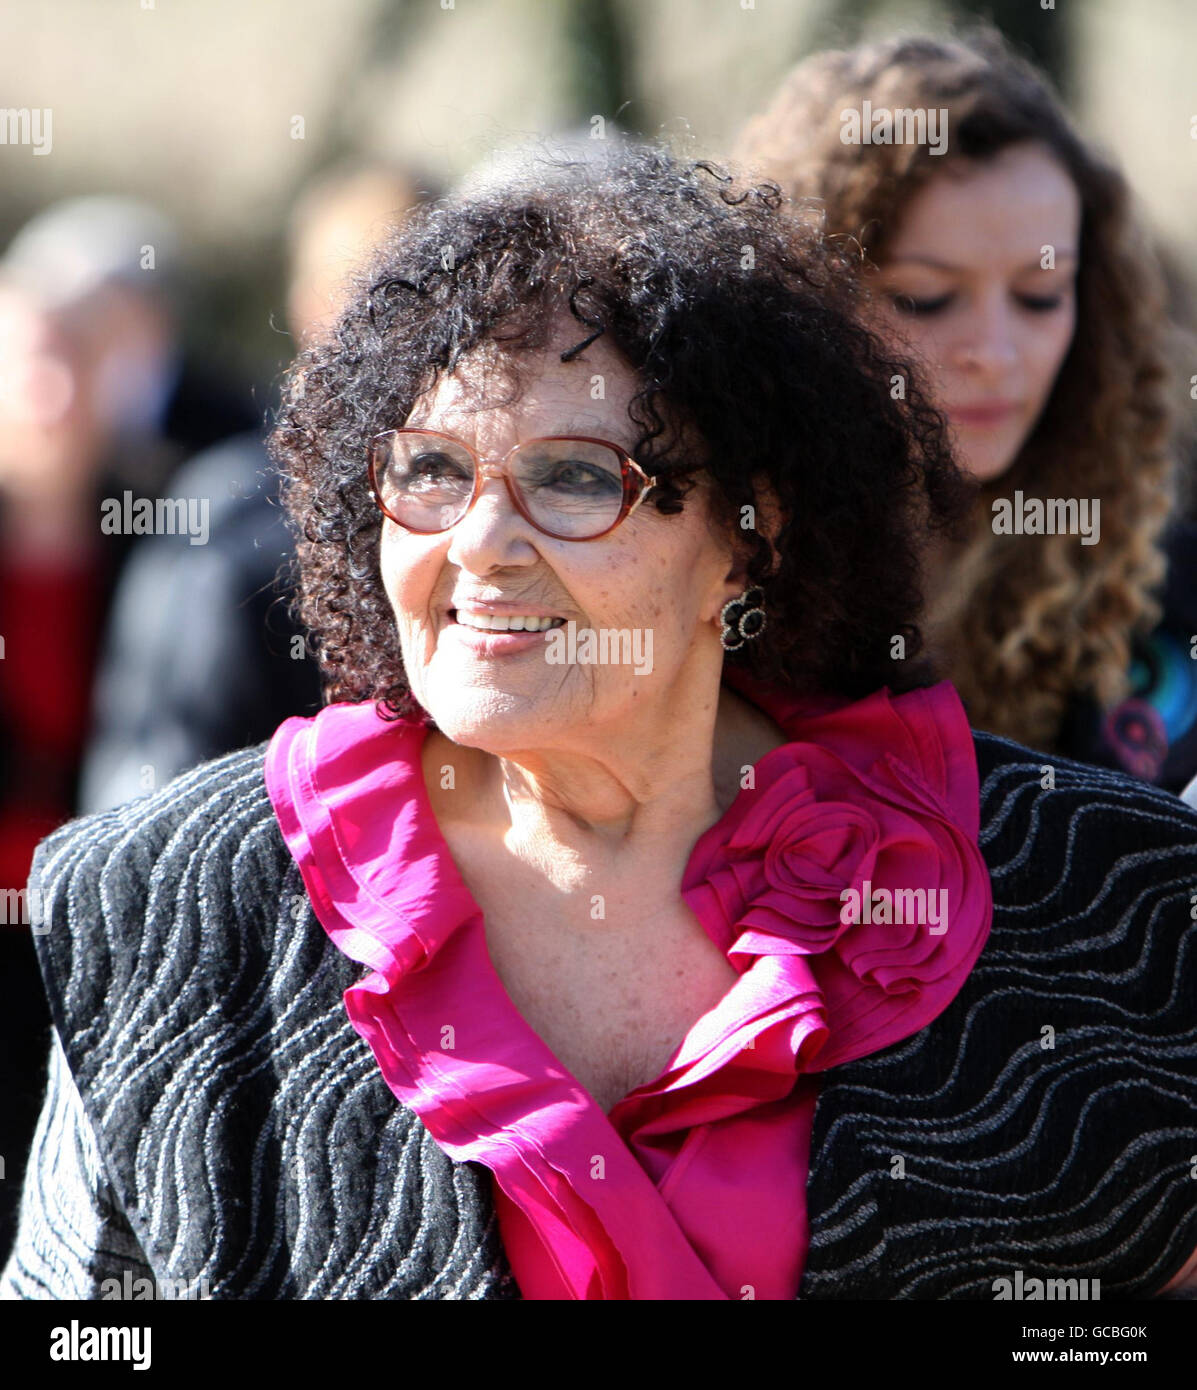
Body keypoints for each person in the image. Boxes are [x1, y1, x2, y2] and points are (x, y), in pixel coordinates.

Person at [2, 143, 1195, 1301]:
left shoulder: (1110, 894)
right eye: (429, 471)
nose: (477, 543)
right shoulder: (165, 904)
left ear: (749, 536)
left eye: (574, 477)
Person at [735, 27, 1197, 791]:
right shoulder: (706, 582)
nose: (995, 351)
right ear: (801, 306)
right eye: (925, 296)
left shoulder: (1165, 597)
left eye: (1039, 295)